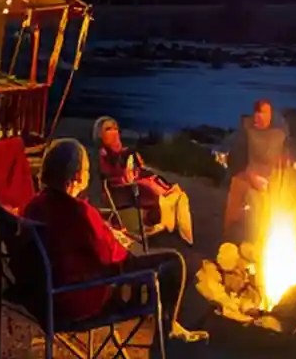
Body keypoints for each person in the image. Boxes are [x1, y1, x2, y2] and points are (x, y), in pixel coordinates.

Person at [21, 138, 207, 341]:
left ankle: (158, 314)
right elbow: (114, 259)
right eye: (86, 169)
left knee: (146, 255)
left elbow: (76, 240)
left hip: (44, 296)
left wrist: (104, 230)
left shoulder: (35, 205)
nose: (88, 174)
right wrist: (117, 239)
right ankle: (168, 325)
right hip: (75, 300)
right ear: (77, 175)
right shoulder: (80, 212)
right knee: (175, 261)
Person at [94, 116, 195, 245]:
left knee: (178, 196)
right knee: (176, 197)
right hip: (127, 195)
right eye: (108, 129)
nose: (114, 132)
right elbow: (117, 178)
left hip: (135, 191)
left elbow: (139, 171)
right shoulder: (105, 155)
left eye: (115, 128)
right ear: (100, 134)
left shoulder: (124, 153)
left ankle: (184, 237)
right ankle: (185, 239)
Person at [223, 99, 296, 237]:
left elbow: (288, 154)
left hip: (274, 178)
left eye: (262, 115)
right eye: (256, 115)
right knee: (237, 188)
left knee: (292, 196)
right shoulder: (246, 130)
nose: (258, 119)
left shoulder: (280, 131)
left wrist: (287, 169)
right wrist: (250, 175)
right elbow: (236, 159)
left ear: (270, 115)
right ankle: (230, 235)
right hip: (249, 174)